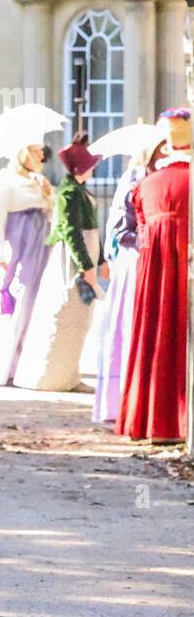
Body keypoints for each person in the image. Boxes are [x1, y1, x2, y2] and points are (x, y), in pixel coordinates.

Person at [117, 108, 191, 443]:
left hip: (153, 271)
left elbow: (139, 228)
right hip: (181, 265)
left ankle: (149, 421)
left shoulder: (146, 184)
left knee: (153, 333)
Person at [13, 133, 103, 391]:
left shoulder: (79, 191)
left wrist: (101, 259)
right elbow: (70, 231)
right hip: (71, 262)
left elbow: (92, 228)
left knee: (79, 318)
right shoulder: (69, 193)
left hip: (84, 256)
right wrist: (86, 266)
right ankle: (51, 376)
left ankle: (68, 374)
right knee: (65, 313)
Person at [0, 143, 53, 386]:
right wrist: (0, 252)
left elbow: (54, 213)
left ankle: (22, 366)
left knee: (32, 304)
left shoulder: (40, 181)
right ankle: (3, 365)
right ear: (21, 152)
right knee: (12, 303)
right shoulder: (3, 182)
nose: (41, 154)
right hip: (16, 249)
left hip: (39, 248)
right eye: (35, 149)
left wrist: (49, 194)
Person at [92, 145, 155, 424]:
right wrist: (147, 239)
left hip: (155, 261)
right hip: (134, 263)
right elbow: (120, 229)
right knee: (127, 329)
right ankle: (119, 403)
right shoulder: (133, 179)